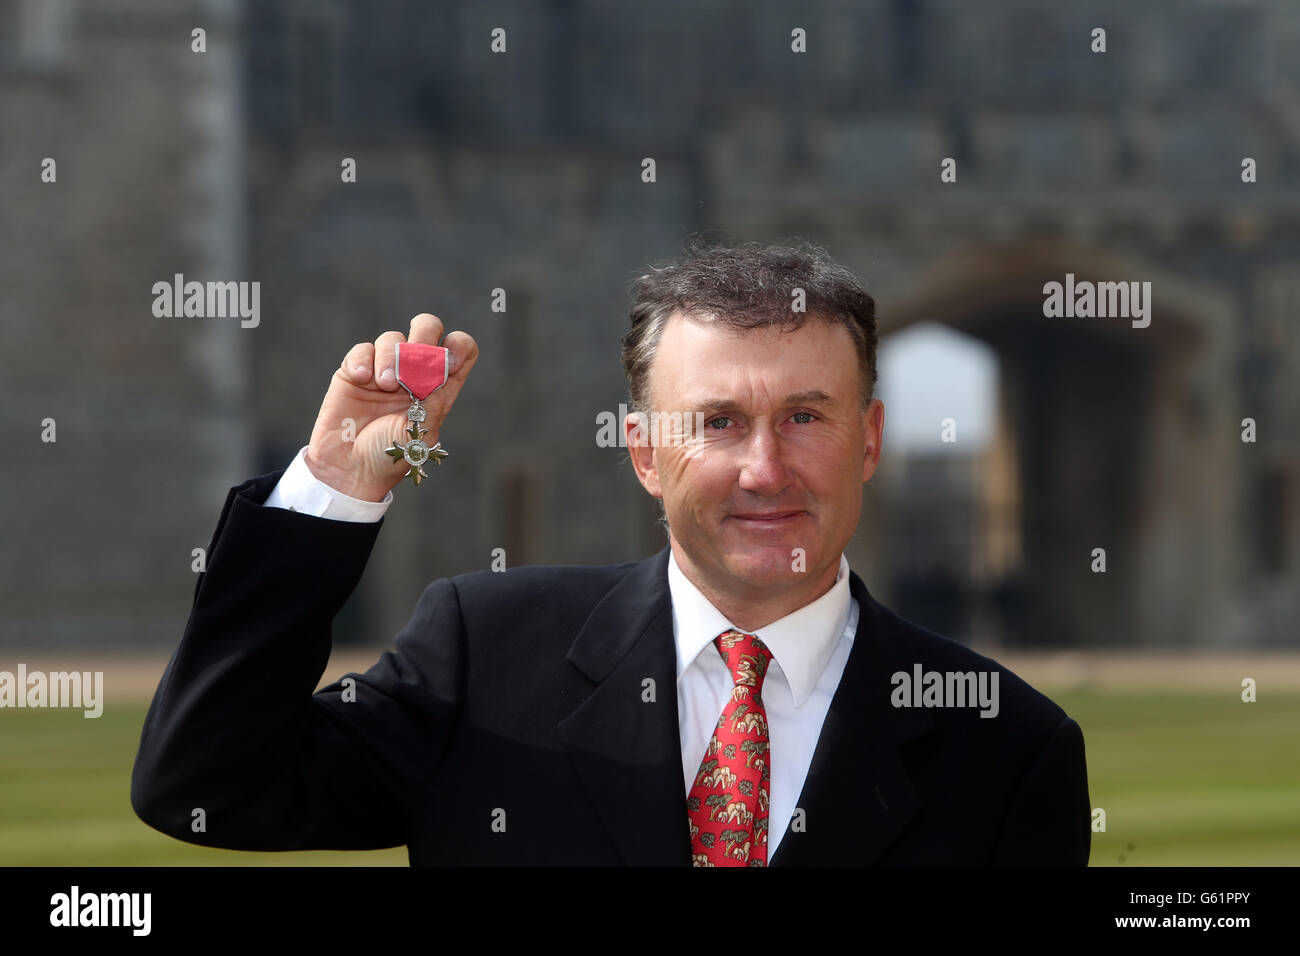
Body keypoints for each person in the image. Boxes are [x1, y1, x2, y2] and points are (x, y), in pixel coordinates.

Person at [131, 239, 1091, 866]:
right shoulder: (489, 657)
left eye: (806, 417)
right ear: (642, 452)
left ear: (870, 440)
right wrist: (335, 489)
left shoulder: (1005, 747)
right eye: (717, 422)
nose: (765, 469)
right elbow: (205, 785)